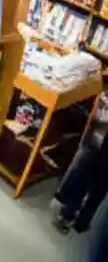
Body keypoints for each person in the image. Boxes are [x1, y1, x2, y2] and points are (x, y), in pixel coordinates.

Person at [54, 93, 108, 234]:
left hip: (100, 133)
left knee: (92, 177)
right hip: (100, 134)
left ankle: (73, 216)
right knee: (88, 175)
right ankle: (73, 216)